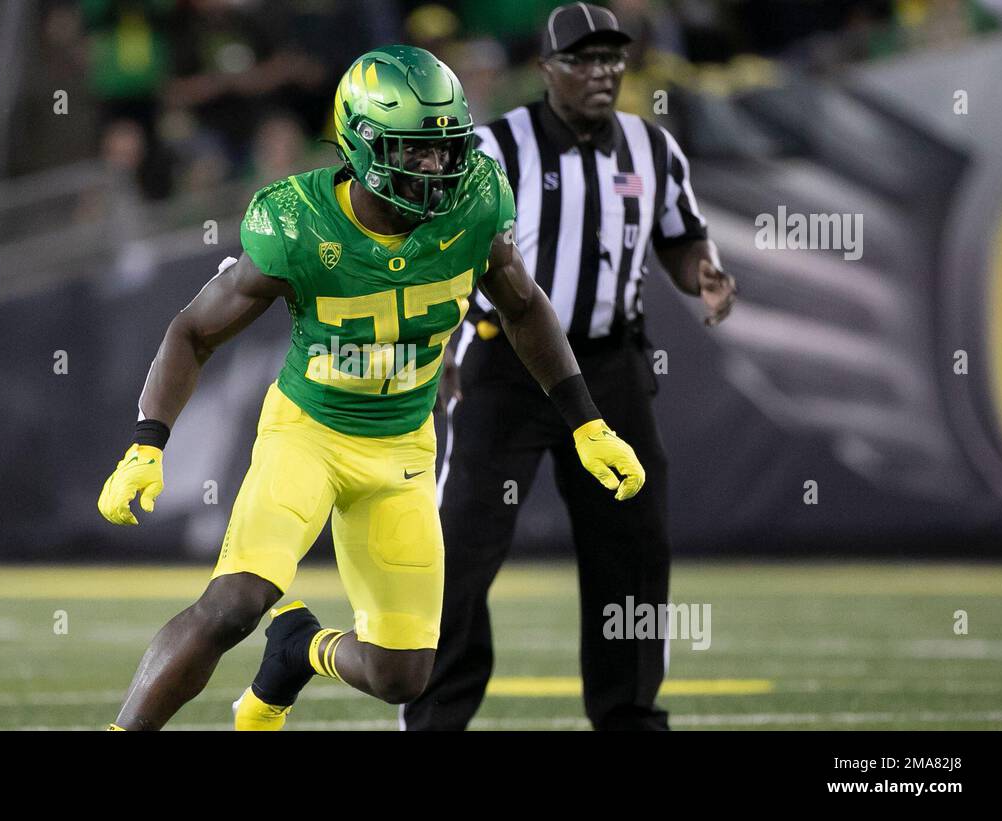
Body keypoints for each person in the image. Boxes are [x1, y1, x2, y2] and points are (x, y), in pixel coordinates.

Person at [95, 44, 645, 730]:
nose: (437, 169)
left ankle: (299, 650)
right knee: (236, 601)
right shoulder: (297, 222)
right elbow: (193, 331)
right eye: (415, 151)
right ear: (359, 143)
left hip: (402, 450)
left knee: (402, 673)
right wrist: (147, 443)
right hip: (308, 436)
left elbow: (523, 305)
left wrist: (586, 423)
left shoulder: (475, 201)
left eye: (446, 149)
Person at [402, 3, 737, 732]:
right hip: (504, 364)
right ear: (547, 68)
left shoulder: (652, 149)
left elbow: (681, 238)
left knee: (634, 545)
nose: (601, 73)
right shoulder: (494, 148)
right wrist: (441, 350)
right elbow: (444, 251)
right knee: (459, 546)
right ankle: (434, 716)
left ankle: (628, 711)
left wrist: (704, 273)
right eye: (583, 60)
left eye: (612, 59)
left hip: (611, 367)